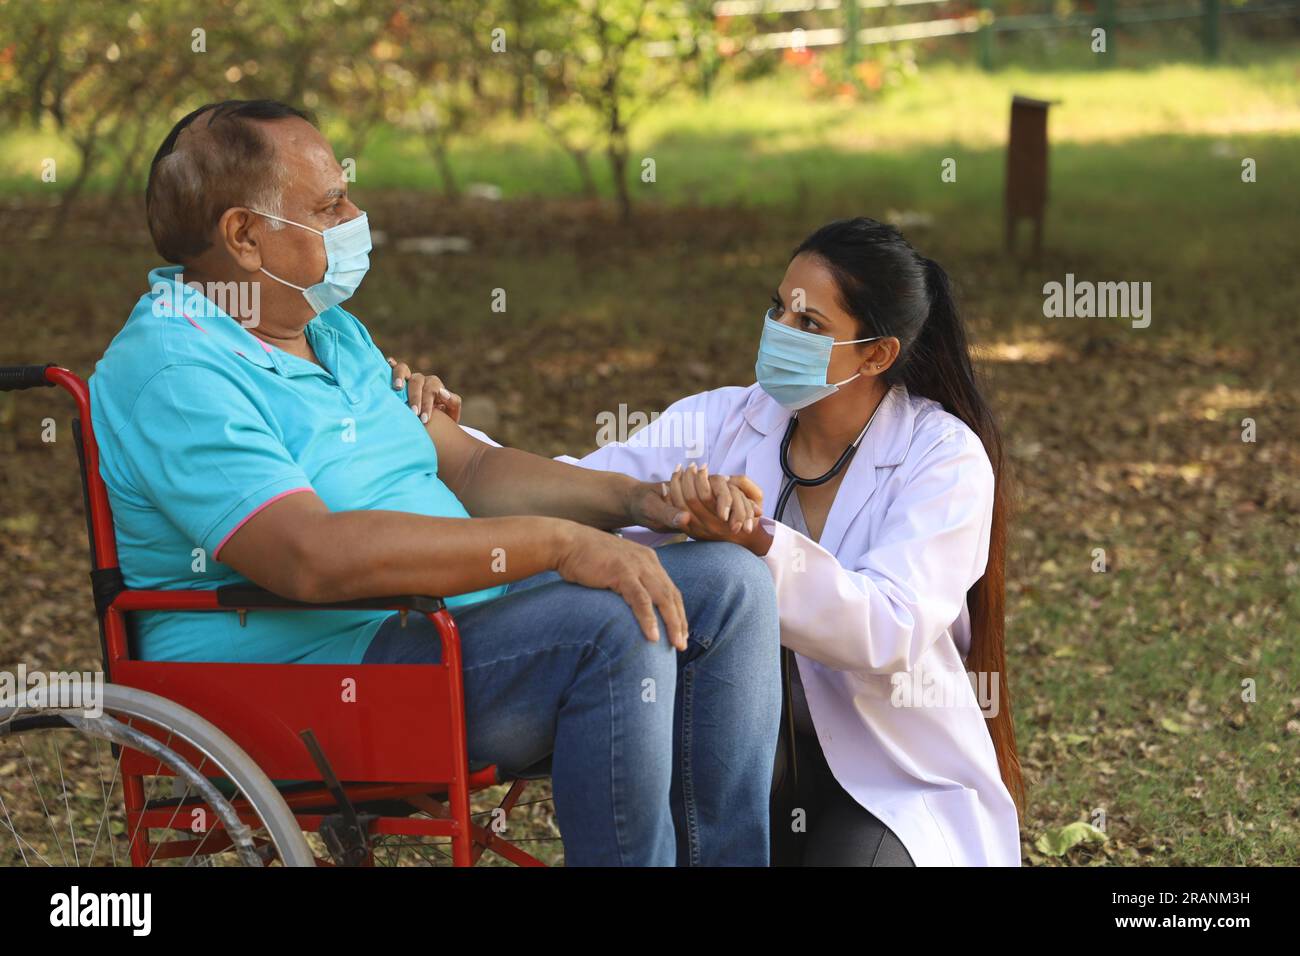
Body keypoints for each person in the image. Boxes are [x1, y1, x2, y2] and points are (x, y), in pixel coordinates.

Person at [87, 99, 783, 866]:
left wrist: (637, 502)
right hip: (316, 680)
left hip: (450, 636)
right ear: (245, 238)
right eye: (330, 205)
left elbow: (474, 466)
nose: (357, 215)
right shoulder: (175, 371)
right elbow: (308, 556)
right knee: (615, 624)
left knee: (730, 582)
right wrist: (557, 545)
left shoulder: (325, 330)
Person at [555, 218, 1025, 865]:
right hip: (739, 762)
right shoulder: (723, 419)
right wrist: (434, 442)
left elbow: (888, 630)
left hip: (886, 777)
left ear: (876, 354)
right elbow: (578, 486)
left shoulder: (942, 457)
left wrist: (757, 542)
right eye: (779, 308)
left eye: (809, 325)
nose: (780, 331)